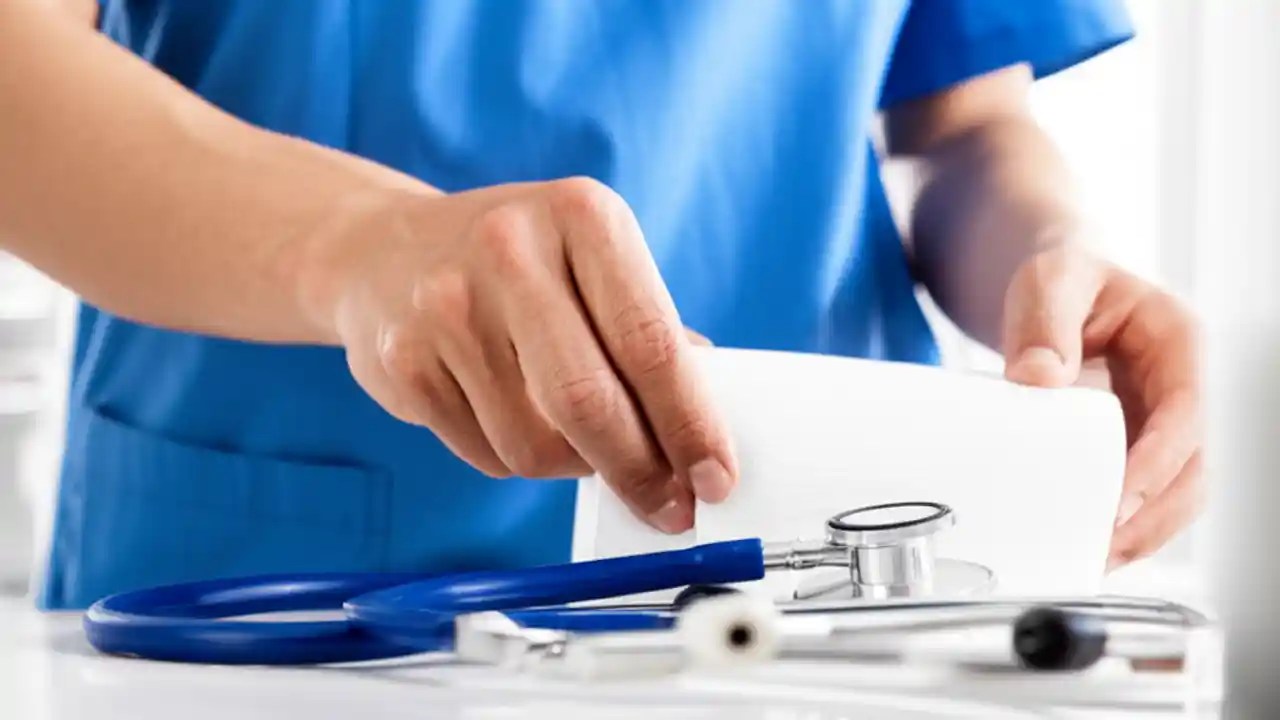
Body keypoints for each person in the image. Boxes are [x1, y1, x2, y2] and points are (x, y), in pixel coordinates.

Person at [1, 0, 1201, 611]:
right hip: (286, 574)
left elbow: (959, 121)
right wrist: (363, 248)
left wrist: (1052, 262)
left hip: (811, 568)